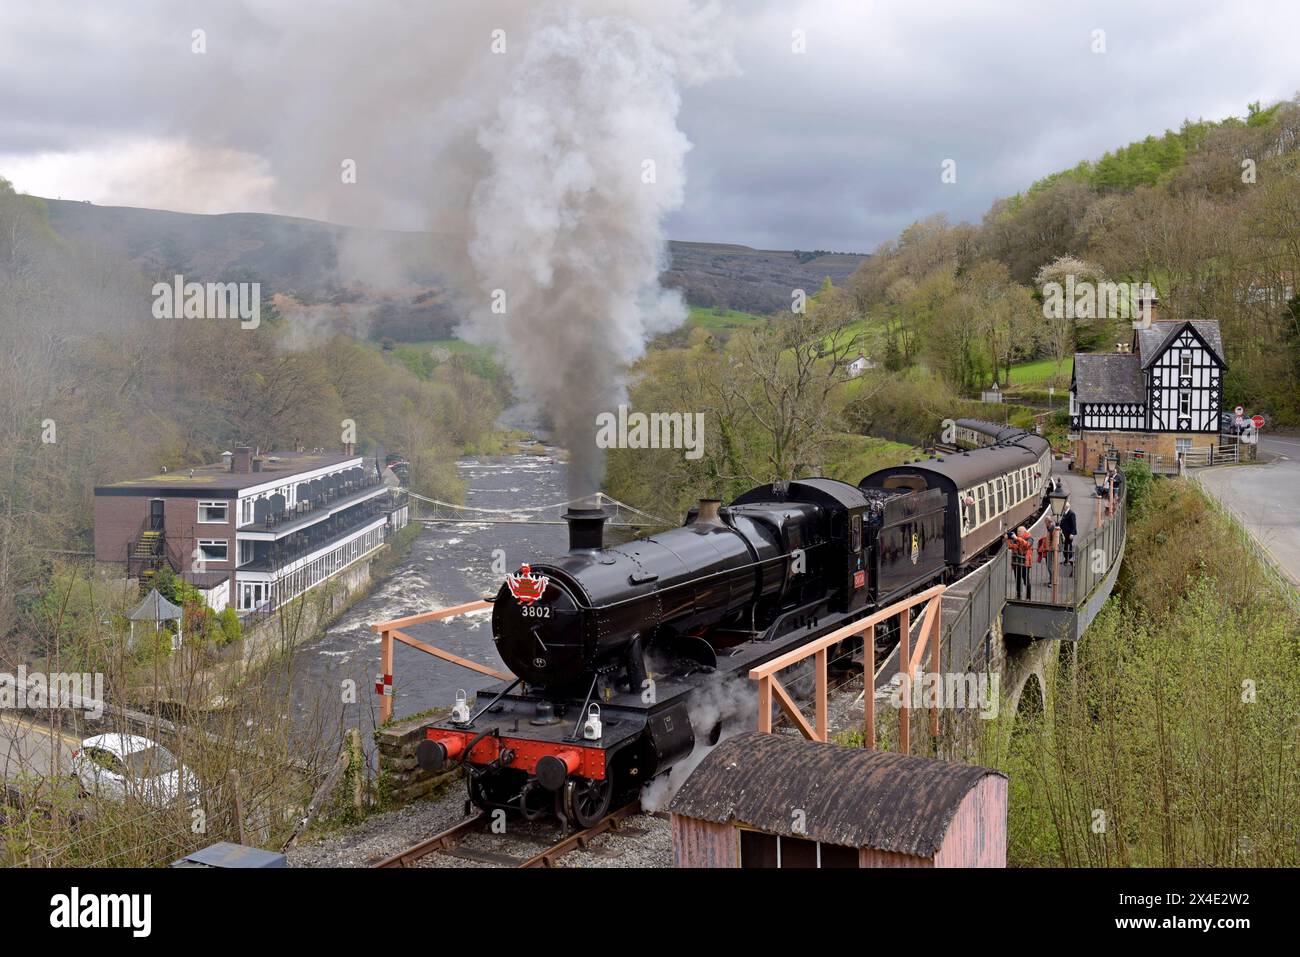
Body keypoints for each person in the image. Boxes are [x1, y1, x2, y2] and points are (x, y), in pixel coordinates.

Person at [1008, 525, 1033, 599]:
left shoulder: (1030, 538)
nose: (1018, 533)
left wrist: (1016, 538)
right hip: (1017, 562)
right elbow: (1011, 546)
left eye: (1019, 531)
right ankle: (1018, 596)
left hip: (1025, 563)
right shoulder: (1017, 539)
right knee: (1017, 580)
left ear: (1024, 532)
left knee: (1026, 581)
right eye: (1017, 531)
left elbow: (1027, 545)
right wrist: (1008, 538)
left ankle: (1028, 597)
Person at [1059, 499, 1077, 568]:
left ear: (1065, 507)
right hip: (1064, 533)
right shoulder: (1065, 513)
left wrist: (1072, 534)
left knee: (1068, 547)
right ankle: (1066, 559)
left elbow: (1073, 524)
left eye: (1063, 506)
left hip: (1069, 534)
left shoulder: (1071, 513)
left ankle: (1068, 560)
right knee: (1065, 547)